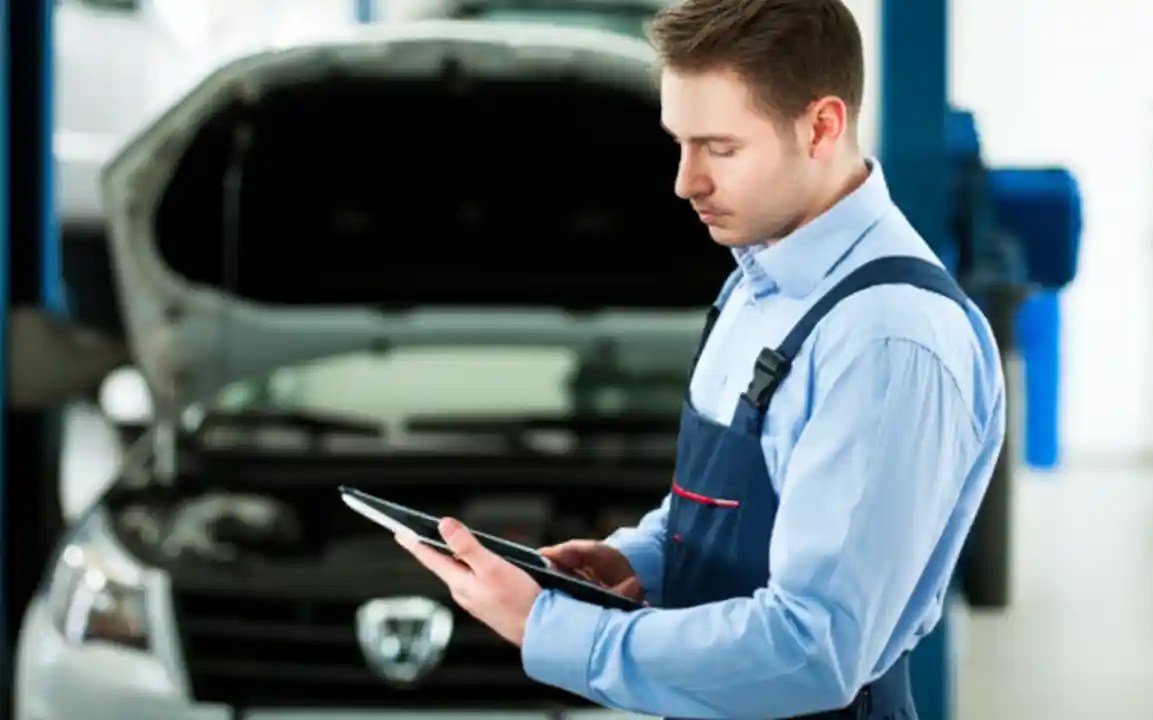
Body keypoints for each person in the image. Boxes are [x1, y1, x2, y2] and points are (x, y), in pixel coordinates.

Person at [394, 0, 1007, 717]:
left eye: (720, 148)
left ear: (822, 127)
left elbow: (814, 648)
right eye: (679, 143)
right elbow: (746, 506)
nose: (686, 182)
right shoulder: (756, 285)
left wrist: (548, 628)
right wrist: (639, 559)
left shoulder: (888, 341)